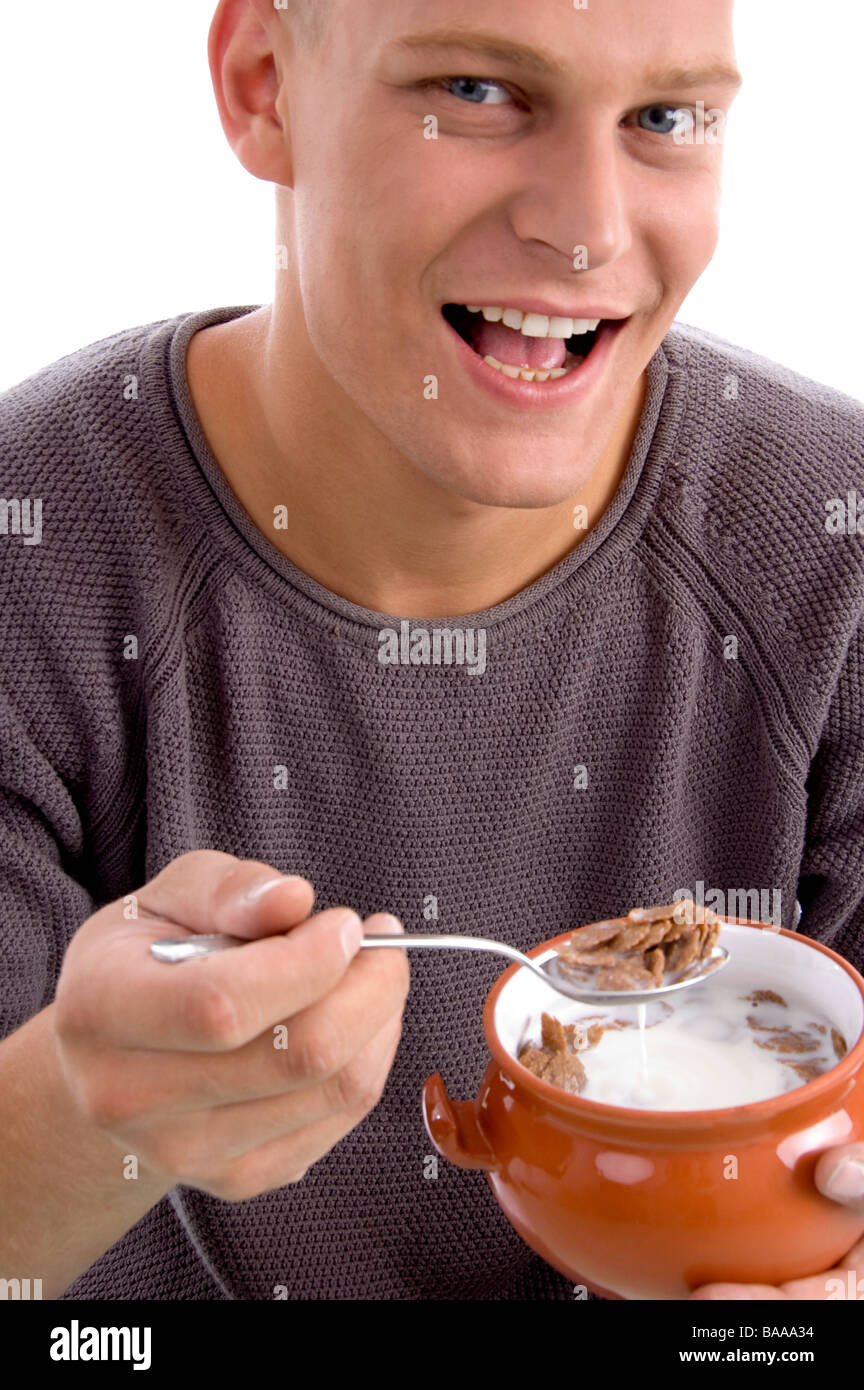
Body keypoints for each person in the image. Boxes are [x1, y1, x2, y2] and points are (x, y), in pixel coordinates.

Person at [0, 0, 862, 1302]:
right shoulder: (34, 560)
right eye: (477, 89)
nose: (587, 227)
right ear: (263, 84)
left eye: (666, 118)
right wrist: (82, 1110)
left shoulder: (833, 550)